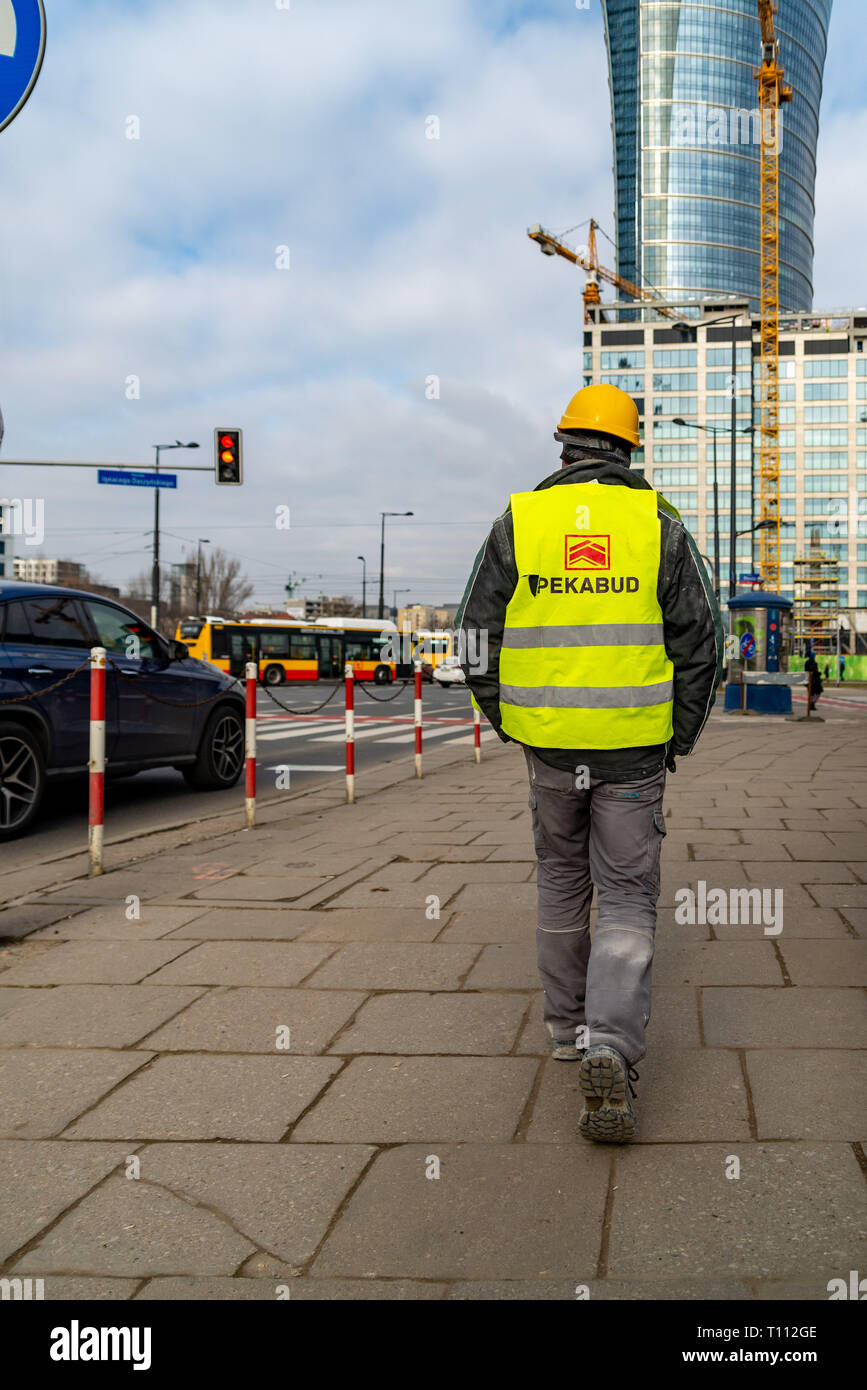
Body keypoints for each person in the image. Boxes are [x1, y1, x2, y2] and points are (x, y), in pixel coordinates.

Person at [457, 384, 722, 1144]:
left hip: (549, 751)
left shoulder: (522, 520)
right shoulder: (657, 524)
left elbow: (472, 631)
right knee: (628, 895)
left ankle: (566, 1031)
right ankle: (610, 1043)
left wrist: (509, 720)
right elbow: (700, 642)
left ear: (565, 445)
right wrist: (679, 737)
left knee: (561, 883)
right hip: (632, 749)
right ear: (628, 448)